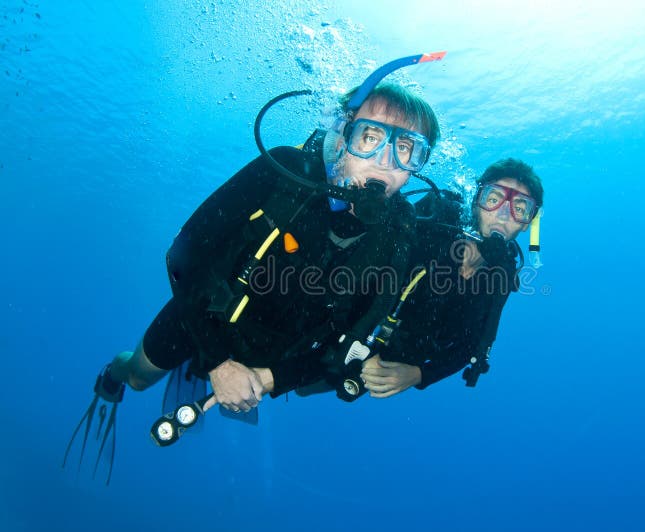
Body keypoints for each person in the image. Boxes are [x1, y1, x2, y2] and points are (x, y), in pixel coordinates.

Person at [63, 54, 443, 483]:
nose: (386, 161)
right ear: (342, 134)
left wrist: (271, 378)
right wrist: (218, 362)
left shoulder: (399, 235)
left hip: (273, 357)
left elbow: (352, 340)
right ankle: (114, 370)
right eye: (371, 136)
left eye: (408, 149)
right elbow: (183, 257)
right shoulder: (283, 171)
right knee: (137, 379)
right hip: (201, 317)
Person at [348, 158, 543, 398]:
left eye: (520, 209)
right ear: (475, 202)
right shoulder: (436, 220)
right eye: (493, 200)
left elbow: (472, 346)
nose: (503, 215)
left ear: (528, 224)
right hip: (344, 327)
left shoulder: (500, 275)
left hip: (392, 362)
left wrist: (419, 375)